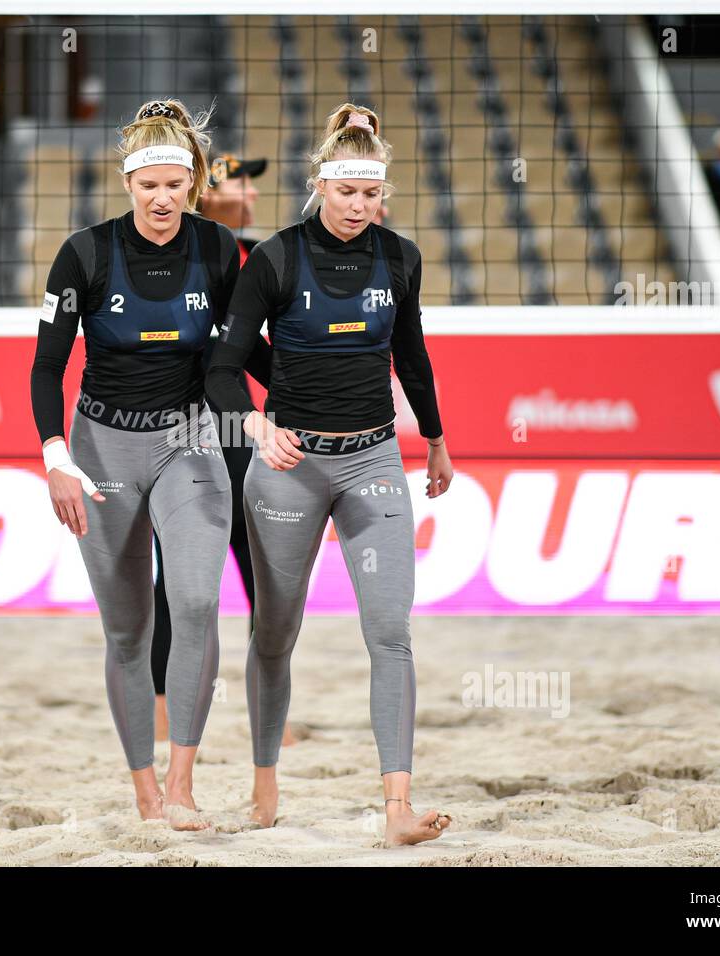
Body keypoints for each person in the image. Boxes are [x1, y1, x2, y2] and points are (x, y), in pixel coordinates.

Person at [206, 103, 455, 846]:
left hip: (374, 461)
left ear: (384, 194)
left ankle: (398, 807)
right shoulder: (277, 260)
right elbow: (223, 369)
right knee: (275, 633)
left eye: (371, 195)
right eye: (346, 193)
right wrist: (256, 425)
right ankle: (264, 780)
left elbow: (411, 358)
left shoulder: (400, 257)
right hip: (289, 466)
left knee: (390, 629)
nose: (358, 206)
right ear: (321, 185)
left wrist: (436, 441)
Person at [29, 100, 272, 828]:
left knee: (196, 602)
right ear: (128, 183)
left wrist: (304, 386)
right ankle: (144, 793)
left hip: (189, 437)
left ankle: (183, 781)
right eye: (149, 186)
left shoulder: (218, 247)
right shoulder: (85, 253)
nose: (163, 199)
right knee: (129, 631)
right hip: (101, 447)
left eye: (176, 184)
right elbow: (46, 369)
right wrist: (56, 459)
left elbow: (242, 353)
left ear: (195, 181)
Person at [148, 151, 286, 743]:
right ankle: (159, 710)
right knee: (173, 584)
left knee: (264, 577)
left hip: (239, 434)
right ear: (205, 191)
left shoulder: (256, 256)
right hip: (180, 434)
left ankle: (264, 712)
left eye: (254, 182)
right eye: (239, 180)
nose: (251, 191)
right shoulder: (172, 256)